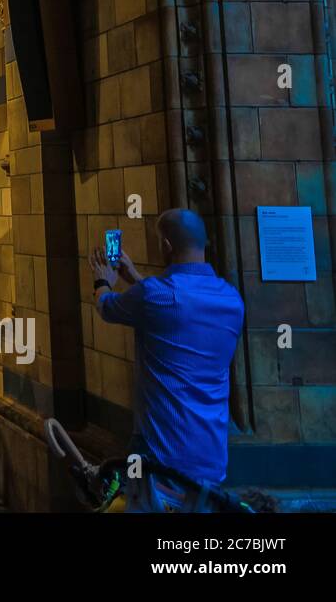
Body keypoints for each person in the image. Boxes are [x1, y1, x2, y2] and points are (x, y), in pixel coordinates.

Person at [88, 208, 245, 511]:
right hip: (210, 453)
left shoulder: (153, 295)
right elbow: (177, 307)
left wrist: (103, 281)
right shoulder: (231, 299)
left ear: (167, 246)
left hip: (159, 452)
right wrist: (136, 277)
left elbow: (107, 307)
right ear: (205, 243)